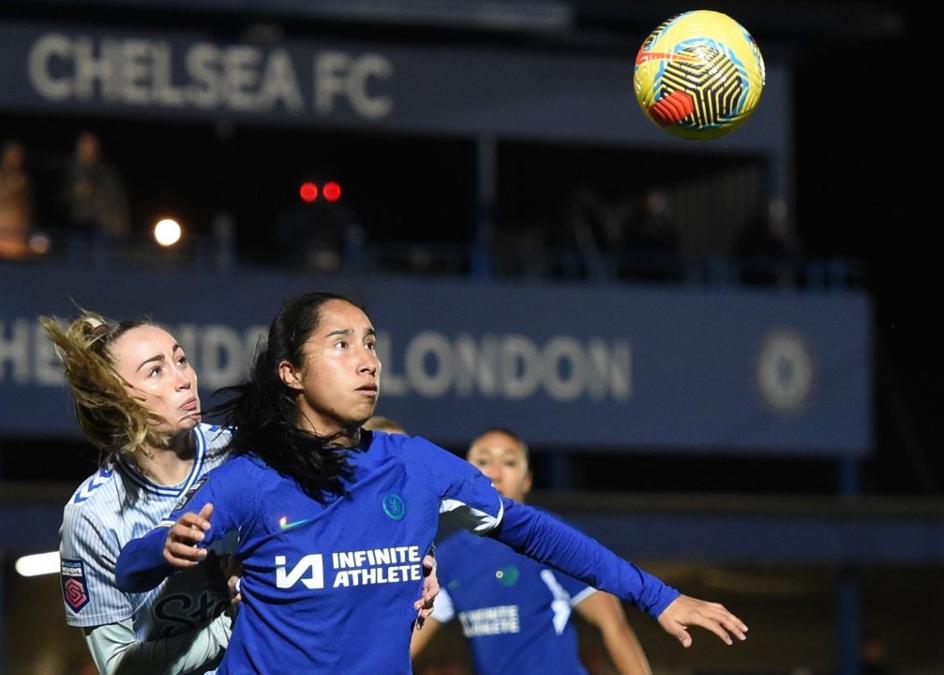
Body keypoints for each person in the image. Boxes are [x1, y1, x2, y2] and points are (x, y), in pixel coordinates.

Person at [114, 290, 748, 675]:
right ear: (291, 373)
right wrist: (161, 551)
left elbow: (536, 531)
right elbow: (127, 571)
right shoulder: (252, 481)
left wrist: (657, 597)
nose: (368, 360)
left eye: (370, 343)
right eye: (340, 344)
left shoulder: (415, 465)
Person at [42, 308, 438, 675]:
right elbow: (117, 665)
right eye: (156, 371)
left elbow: (352, 509)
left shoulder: (247, 453)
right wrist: (234, 625)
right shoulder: (92, 515)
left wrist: (417, 560)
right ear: (117, 395)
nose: (184, 377)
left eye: (180, 359)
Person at [411, 427, 652, 675]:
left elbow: (613, 626)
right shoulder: (450, 557)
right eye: (483, 461)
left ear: (527, 480)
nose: (494, 473)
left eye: (509, 462)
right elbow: (405, 645)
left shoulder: (554, 539)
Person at [59, 131, 131, 262]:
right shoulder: (70, 169)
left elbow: (116, 198)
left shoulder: (106, 171)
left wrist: (121, 221)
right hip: (77, 222)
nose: (87, 150)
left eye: (90, 146)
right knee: (76, 259)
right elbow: (60, 196)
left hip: (102, 223)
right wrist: (75, 193)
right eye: (84, 146)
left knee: (102, 260)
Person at [0, 138, 35, 261]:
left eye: (19, 155)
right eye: (13, 155)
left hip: (19, 231)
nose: (16, 159)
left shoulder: (24, 179)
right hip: (1, 229)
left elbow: (28, 206)